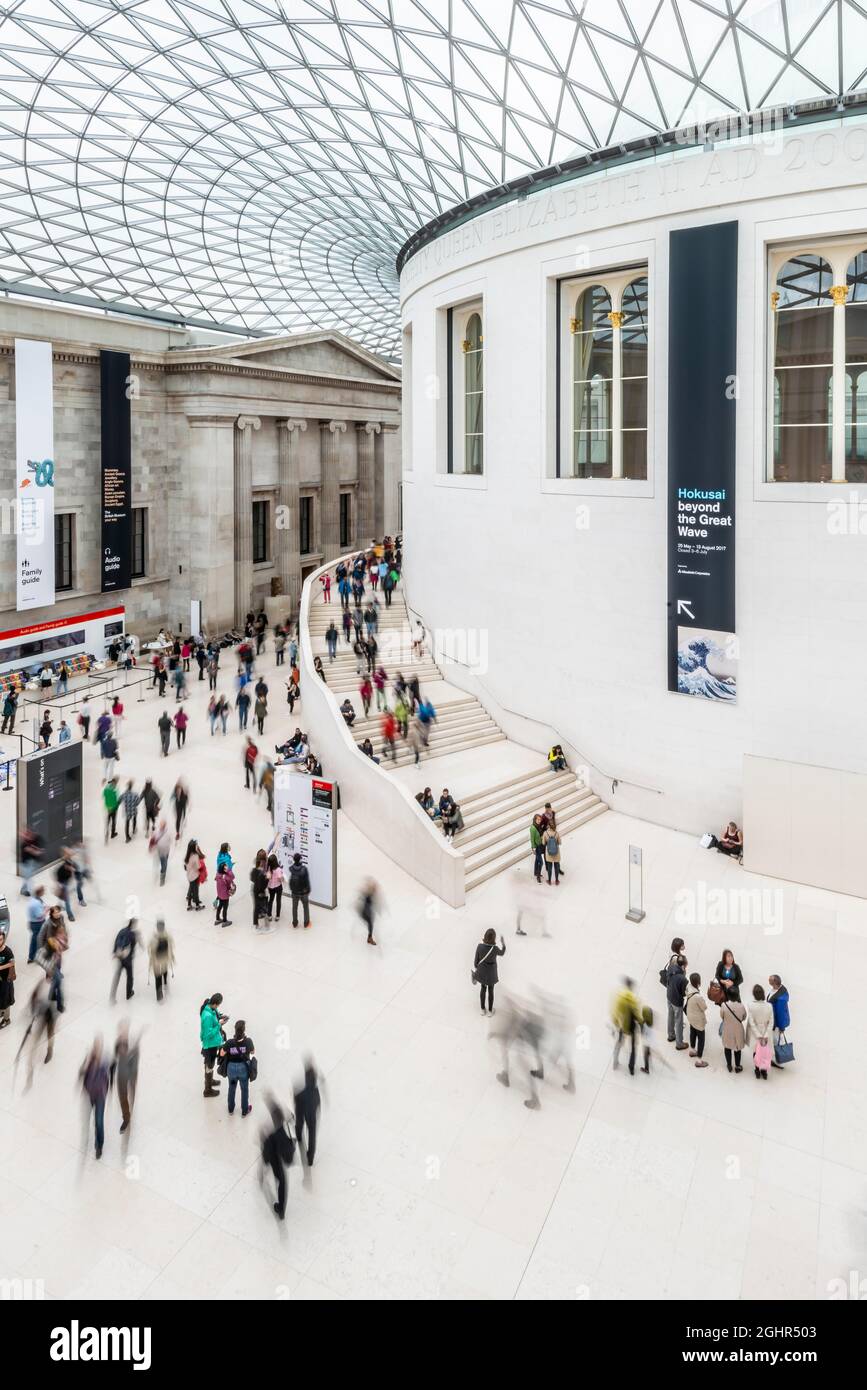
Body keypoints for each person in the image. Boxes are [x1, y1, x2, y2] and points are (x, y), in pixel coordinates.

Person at [261, 1096, 294, 1219]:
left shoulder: (270, 1129)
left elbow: (266, 1146)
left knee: (280, 1180)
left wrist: (265, 1161)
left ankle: (280, 1209)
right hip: (279, 1159)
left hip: (273, 1158)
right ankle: (281, 1210)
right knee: (282, 1183)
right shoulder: (280, 1130)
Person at [80, 1037, 111, 1159]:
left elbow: (106, 1078)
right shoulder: (89, 1059)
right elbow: (82, 1074)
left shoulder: (104, 1061)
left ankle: (99, 1145)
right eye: (95, 1047)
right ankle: (87, 1136)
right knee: (86, 1119)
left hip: (99, 1096)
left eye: (99, 1047)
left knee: (98, 1121)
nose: (97, 1049)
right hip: (89, 1094)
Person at [221, 1019, 255, 1117]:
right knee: (244, 1089)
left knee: (231, 1088)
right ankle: (244, 1111)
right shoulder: (248, 1041)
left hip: (231, 1069)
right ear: (244, 1030)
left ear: (235, 1030)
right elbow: (252, 1052)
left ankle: (230, 1109)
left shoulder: (229, 1042)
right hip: (243, 1069)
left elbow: (222, 1053)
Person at [110, 1021, 140, 1135]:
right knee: (122, 1097)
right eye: (120, 1030)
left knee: (131, 1093)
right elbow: (115, 1057)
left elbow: (136, 1061)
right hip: (121, 1074)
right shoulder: (118, 1043)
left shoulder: (132, 1045)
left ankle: (130, 1107)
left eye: (124, 1030)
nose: (122, 1033)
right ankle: (126, 1118)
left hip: (131, 1074)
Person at [294, 1058, 322, 1169]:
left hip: (302, 1111)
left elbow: (296, 1104)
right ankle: (310, 1158)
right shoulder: (316, 1092)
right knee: (312, 1134)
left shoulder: (300, 1093)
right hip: (312, 1115)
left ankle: (299, 1135)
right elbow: (318, 1104)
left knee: (300, 1123)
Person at [611, 976, 642, 1074]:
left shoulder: (619, 998)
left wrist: (616, 1023)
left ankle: (615, 1062)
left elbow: (615, 1012)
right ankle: (631, 1068)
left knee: (618, 1044)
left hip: (621, 1026)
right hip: (631, 1026)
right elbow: (637, 1014)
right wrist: (641, 1022)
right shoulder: (633, 999)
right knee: (633, 1047)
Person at [473, 928, 505, 1016]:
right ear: (494, 938)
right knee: (491, 990)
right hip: (492, 974)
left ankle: (482, 1009)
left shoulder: (479, 946)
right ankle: (490, 1011)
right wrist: (503, 943)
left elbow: (475, 963)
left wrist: (478, 968)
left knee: (483, 988)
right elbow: (502, 953)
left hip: (482, 972)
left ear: (485, 936)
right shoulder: (495, 949)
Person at [200, 993, 226, 1098]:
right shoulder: (207, 1016)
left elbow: (215, 1015)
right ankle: (208, 1090)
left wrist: (220, 1017)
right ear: (215, 1004)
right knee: (209, 1064)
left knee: (210, 1064)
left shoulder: (211, 1008)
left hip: (213, 1044)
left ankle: (209, 1080)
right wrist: (219, 1025)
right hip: (210, 1045)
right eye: (218, 1005)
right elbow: (208, 1034)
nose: (218, 1007)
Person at [110, 918, 141, 1003]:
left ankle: (112, 996)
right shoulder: (132, 934)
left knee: (117, 977)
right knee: (130, 977)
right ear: (133, 924)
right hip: (127, 960)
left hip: (120, 958)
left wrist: (115, 953)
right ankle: (129, 993)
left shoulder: (122, 931)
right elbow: (133, 946)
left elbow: (116, 941)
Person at [748, 983, 774, 1080]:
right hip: (766, 1031)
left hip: (756, 1033)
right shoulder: (769, 1006)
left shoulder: (751, 1005)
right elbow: (771, 1022)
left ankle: (757, 1069)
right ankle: (764, 1071)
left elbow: (751, 1023)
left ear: (754, 994)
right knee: (765, 1052)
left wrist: (758, 1035)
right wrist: (766, 1035)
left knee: (757, 1051)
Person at [684, 972, 709, 1067]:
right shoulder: (698, 997)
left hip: (690, 1016)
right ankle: (699, 1061)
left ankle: (692, 1050)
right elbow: (704, 1007)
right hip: (698, 1020)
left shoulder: (688, 987)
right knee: (701, 1039)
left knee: (692, 1032)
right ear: (699, 982)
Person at [666, 954, 689, 1050]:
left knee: (670, 1016)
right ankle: (679, 1044)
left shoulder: (671, 967)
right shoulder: (683, 979)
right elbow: (684, 993)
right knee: (679, 1021)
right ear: (683, 966)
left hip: (669, 996)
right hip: (677, 1001)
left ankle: (671, 1035)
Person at [148, 919, 175, 1001]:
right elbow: (171, 947)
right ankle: (166, 983)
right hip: (165, 960)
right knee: (165, 970)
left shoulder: (154, 938)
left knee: (158, 978)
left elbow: (150, 950)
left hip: (156, 962)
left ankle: (159, 996)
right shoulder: (167, 936)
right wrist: (171, 958)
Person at [720, 994, 747, 1073]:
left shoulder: (724, 1005)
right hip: (738, 1029)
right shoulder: (741, 1006)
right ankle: (737, 1066)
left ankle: (729, 1065)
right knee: (737, 1048)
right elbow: (744, 1017)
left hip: (727, 1029)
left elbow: (722, 1016)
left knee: (727, 1047)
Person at [768, 975, 791, 1068]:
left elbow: (780, 1014)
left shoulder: (780, 999)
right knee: (776, 1040)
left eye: (770, 980)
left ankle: (776, 1060)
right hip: (774, 1020)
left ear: (775, 983)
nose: (768, 980)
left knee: (776, 1041)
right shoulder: (777, 989)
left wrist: (781, 1028)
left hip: (776, 1024)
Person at [288, 853, 311, 928]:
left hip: (294, 892)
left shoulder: (291, 869)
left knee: (294, 907)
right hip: (303, 892)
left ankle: (295, 923)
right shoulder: (304, 869)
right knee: (306, 907)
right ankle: (306, 922)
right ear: (300, 859)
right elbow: (307, 881)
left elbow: (290, 880)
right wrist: (308, 890)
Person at [55, 849, 78, 922]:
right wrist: (59, 885)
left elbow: (75, 867)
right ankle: (70, 914)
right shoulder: (62, 867)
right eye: (68, 854)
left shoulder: (70, 861)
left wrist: (72, 870)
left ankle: (60, 904)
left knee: (64, 896)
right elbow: (58, 875)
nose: (70, 854)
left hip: (67, 883)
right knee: (67, 900)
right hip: (63, 883)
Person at [26, 886, 47, 963]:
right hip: (38, 924)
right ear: (40, 892)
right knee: (36, 940)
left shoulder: (35, 899)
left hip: (33, 923)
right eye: (43, 891)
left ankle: (32, 956)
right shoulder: (36, 903)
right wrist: (46, 910)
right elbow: (39, 915)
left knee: (36, 939)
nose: (44, 893)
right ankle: (33, 957)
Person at [149, 818, 172, 886]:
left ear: (165, 825)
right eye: (161, 825)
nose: (161, 826)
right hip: (159, 851)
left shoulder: (168, 832)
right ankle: (161, 877)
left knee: (164, 864)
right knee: (162, 864)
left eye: (163, 825)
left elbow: (170, 840)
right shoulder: (156, 832)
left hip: (166, 851)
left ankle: (162, 877)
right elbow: (152, 840)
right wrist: (150, 848)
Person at [184, 839, 205, 911]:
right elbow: (198, 867)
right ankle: (197, 905)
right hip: (195, 876)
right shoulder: (195, 856)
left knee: (190, 889)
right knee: (195, 891)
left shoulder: (187, 855)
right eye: (196, 845)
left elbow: (186, 866)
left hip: (189, 876)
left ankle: (189, 904)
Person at [0, 930, 15, 1028]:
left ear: (3, 940)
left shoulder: (7, 951)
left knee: (5, 1000)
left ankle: (6, 1019)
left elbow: (12, 963)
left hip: (5, 981)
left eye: (0, 939)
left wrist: (0, 967)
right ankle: (2, 1011)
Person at [251, 851, 270, 930]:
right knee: (265, 907)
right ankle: (266, 926)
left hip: (254, 890)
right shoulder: (262, 874)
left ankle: (256, 923)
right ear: (262, 861)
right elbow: (263, 885)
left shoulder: (254, 870)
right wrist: (267, 878)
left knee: (256, 907)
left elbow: (252, 879)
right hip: (260, 892)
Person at [357, 878, 379, 946]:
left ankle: (369, 938)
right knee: (370, 924)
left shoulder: (370, 894)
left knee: (370, 924)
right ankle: (370, 938)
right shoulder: (368, 895)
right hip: (365, 912)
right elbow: (366, 905)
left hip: (366, 911)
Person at [215, 859, 235, 926]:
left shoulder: (217, 875)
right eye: (226, 866)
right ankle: (224, 921)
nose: (227, 867)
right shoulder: (225, 877)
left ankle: (217, 918)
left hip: (219, 894)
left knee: (220, 906)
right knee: (225, 908)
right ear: (224, 869)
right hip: (225, 895)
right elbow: (232, 877)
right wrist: (229, 870)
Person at [543, 819, 561, 885]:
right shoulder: (557, 833)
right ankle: (556, 880)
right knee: (556, 866)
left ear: (548, 825)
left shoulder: (545, 833)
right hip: (556, 852)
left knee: (549, 867)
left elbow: (543, 843)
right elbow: (560, 842)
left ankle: (549, 881)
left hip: (549, 853)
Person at [266, 854, 284, 921]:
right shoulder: (278, 869)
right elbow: (280, 879)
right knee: (278, 901)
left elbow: (268, 877)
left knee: (271, 900)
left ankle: (269, 915)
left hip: (270, 887)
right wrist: (283, 878)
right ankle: (277, 916)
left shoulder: (268, 868)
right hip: (278, 887)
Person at [102, 777, 120, 842]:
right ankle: (112, 834)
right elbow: (118, 799)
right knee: (113, 820)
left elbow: (103, 795)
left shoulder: (106, 788)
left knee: (108, 819)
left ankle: (107, 831)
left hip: (107, 807)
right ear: (115, 783)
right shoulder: (115, 790)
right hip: (114, 807)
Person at [529, 813, 545, 883]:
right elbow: (532, 839)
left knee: (537, 860)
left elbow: (540, 835)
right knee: (541, 862)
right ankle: (538, 876)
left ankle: (535, 872)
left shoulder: (539, 826)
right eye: (538, 819)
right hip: (537, 847)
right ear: (535, 819)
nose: (539, 821)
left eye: (540, 819)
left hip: (540, 845)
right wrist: (533, 848)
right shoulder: (532, 828)